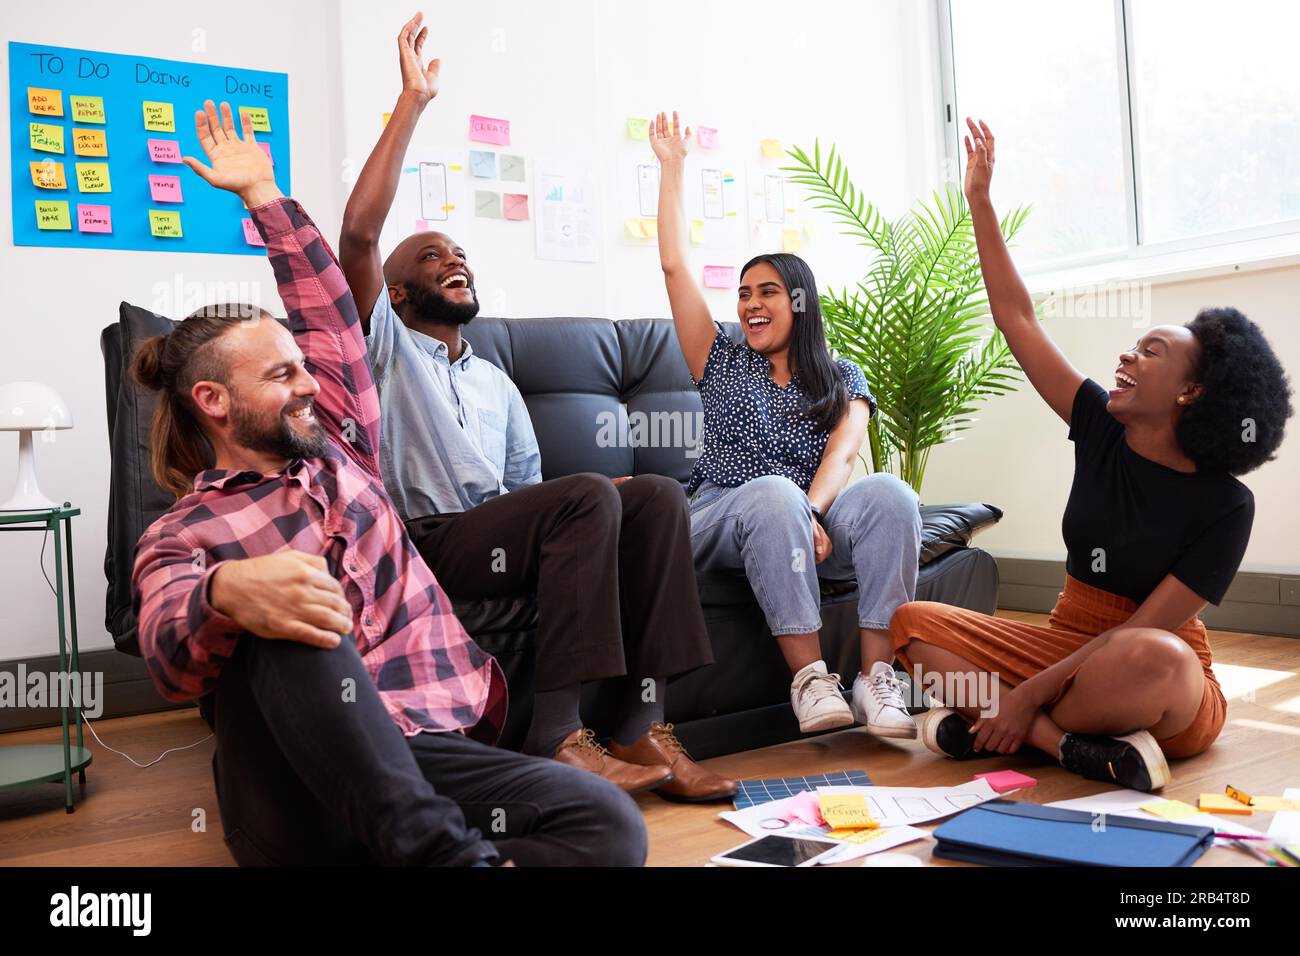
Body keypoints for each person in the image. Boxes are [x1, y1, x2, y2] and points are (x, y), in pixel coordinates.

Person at [132, 99, 648, 866]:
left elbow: (328, 314)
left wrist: (265, 198)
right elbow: (168, 652)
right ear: (214, 401)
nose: (311, 383)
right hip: (294, 776)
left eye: (307, 368)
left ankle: (431, 853)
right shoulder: (183, 532)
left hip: (421, 751)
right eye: (282, 373)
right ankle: (444, 855)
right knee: (286, 600)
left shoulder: (344, 447)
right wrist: (228, 593)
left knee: (609, 825)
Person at [335, 15, 734, 802]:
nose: (453, 259)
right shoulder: (380, 347)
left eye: (461, 255)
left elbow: (528, 495)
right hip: (429, 539)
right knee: (589, 493)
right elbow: (356, 233)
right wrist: (411, 105)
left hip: (504, 529)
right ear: (400, 289)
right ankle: (557, 735)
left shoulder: (496, 383)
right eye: (432, 256)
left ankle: (644, 722)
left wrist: (600, 501)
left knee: (650, 495)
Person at [890, 118, 1293, 792]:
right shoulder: (1099, 421)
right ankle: (1065, 745)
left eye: (1149, 352)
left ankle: (998, 725)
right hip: (1059, 643)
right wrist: (980, 203)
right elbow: (1017, 319)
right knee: (912, 626)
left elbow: (1134, 635)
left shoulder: (1226, 504)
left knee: (1153, 658)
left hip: (1147, 675)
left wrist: (1019, 694)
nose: (1126, 357)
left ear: (1191, 392)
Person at [649, 111, 924, 739]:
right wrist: (673, 169)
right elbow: (674, 268)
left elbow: (845, 453)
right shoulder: (718, 356)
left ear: (800, 303)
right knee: (773, 493)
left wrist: (814, 513)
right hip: (720, 516)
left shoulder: (840, 374)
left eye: (767, 292)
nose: (750, 304)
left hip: (806, 525)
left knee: (892, 495)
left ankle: (876, 681)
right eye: (744, 293)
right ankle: (810, 681)